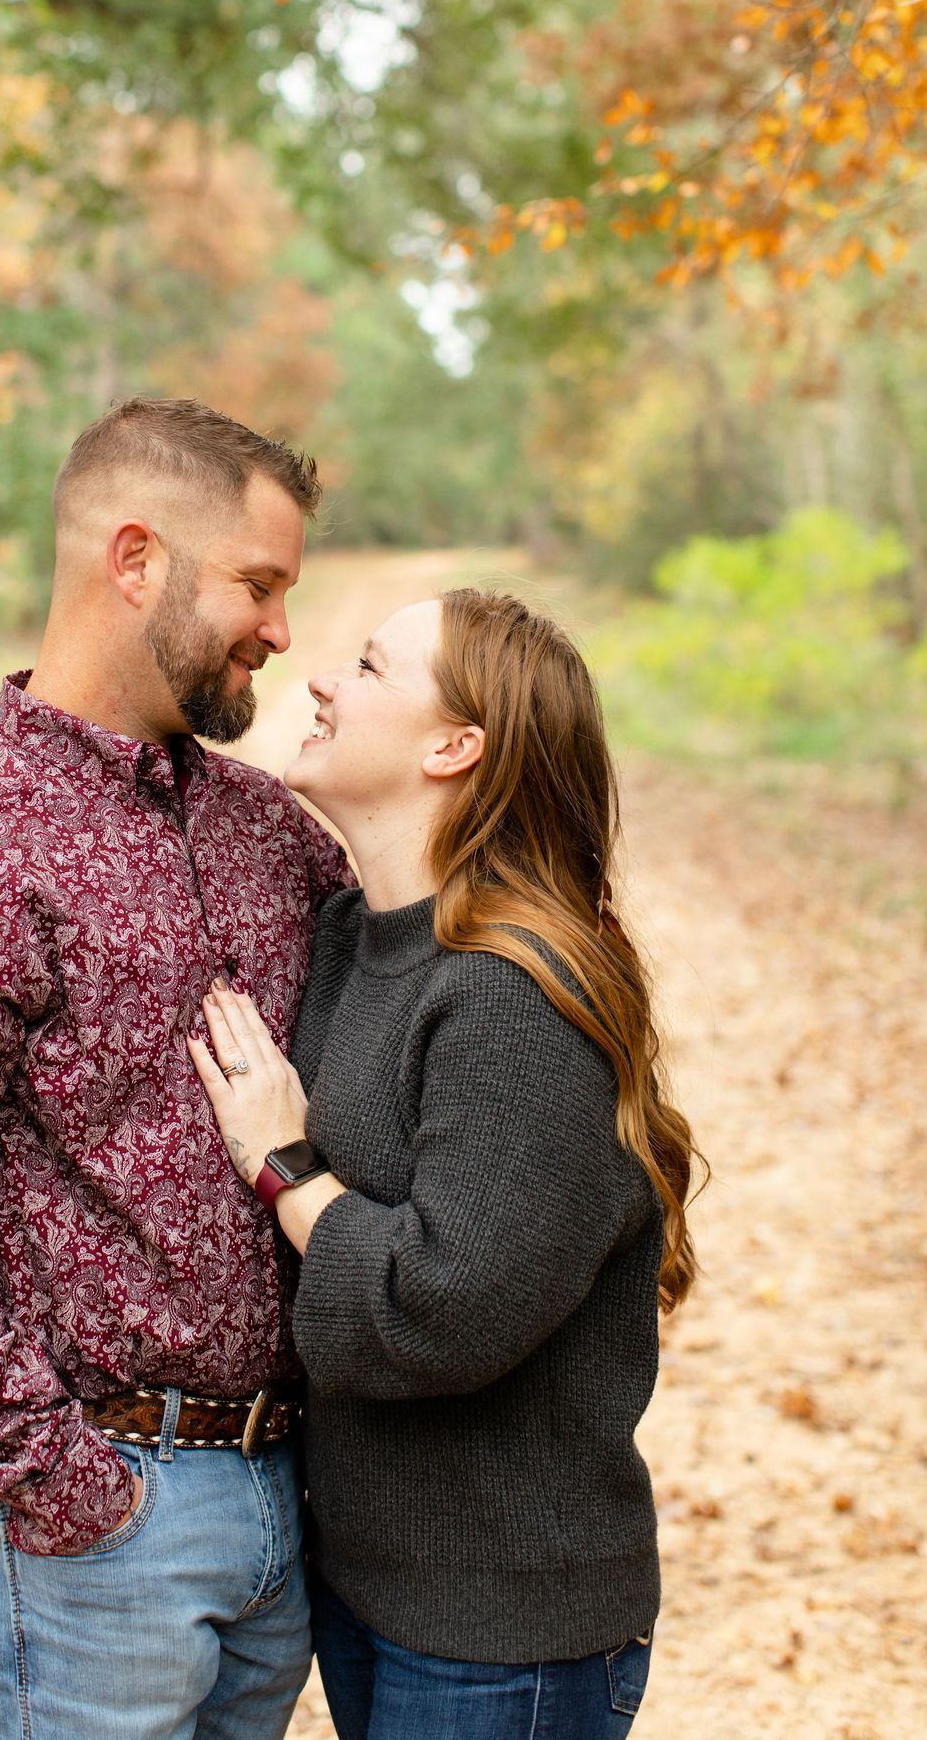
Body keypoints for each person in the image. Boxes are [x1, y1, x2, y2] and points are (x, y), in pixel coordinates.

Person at [0, 397, 353, 1740]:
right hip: (93, 1524)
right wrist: (65, 1487)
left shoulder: (271, 833)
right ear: (136, 558)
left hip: (285, 1502)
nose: (281, 630)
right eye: (259, 585)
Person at [190, 589, 702, 1739]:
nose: (323, 680)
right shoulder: (349, 940)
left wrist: (286, 1167)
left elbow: (444, 1306)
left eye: (371, 668)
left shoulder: (511, 997)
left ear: (453, 747)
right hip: (372, 1587)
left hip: (503, 1627)